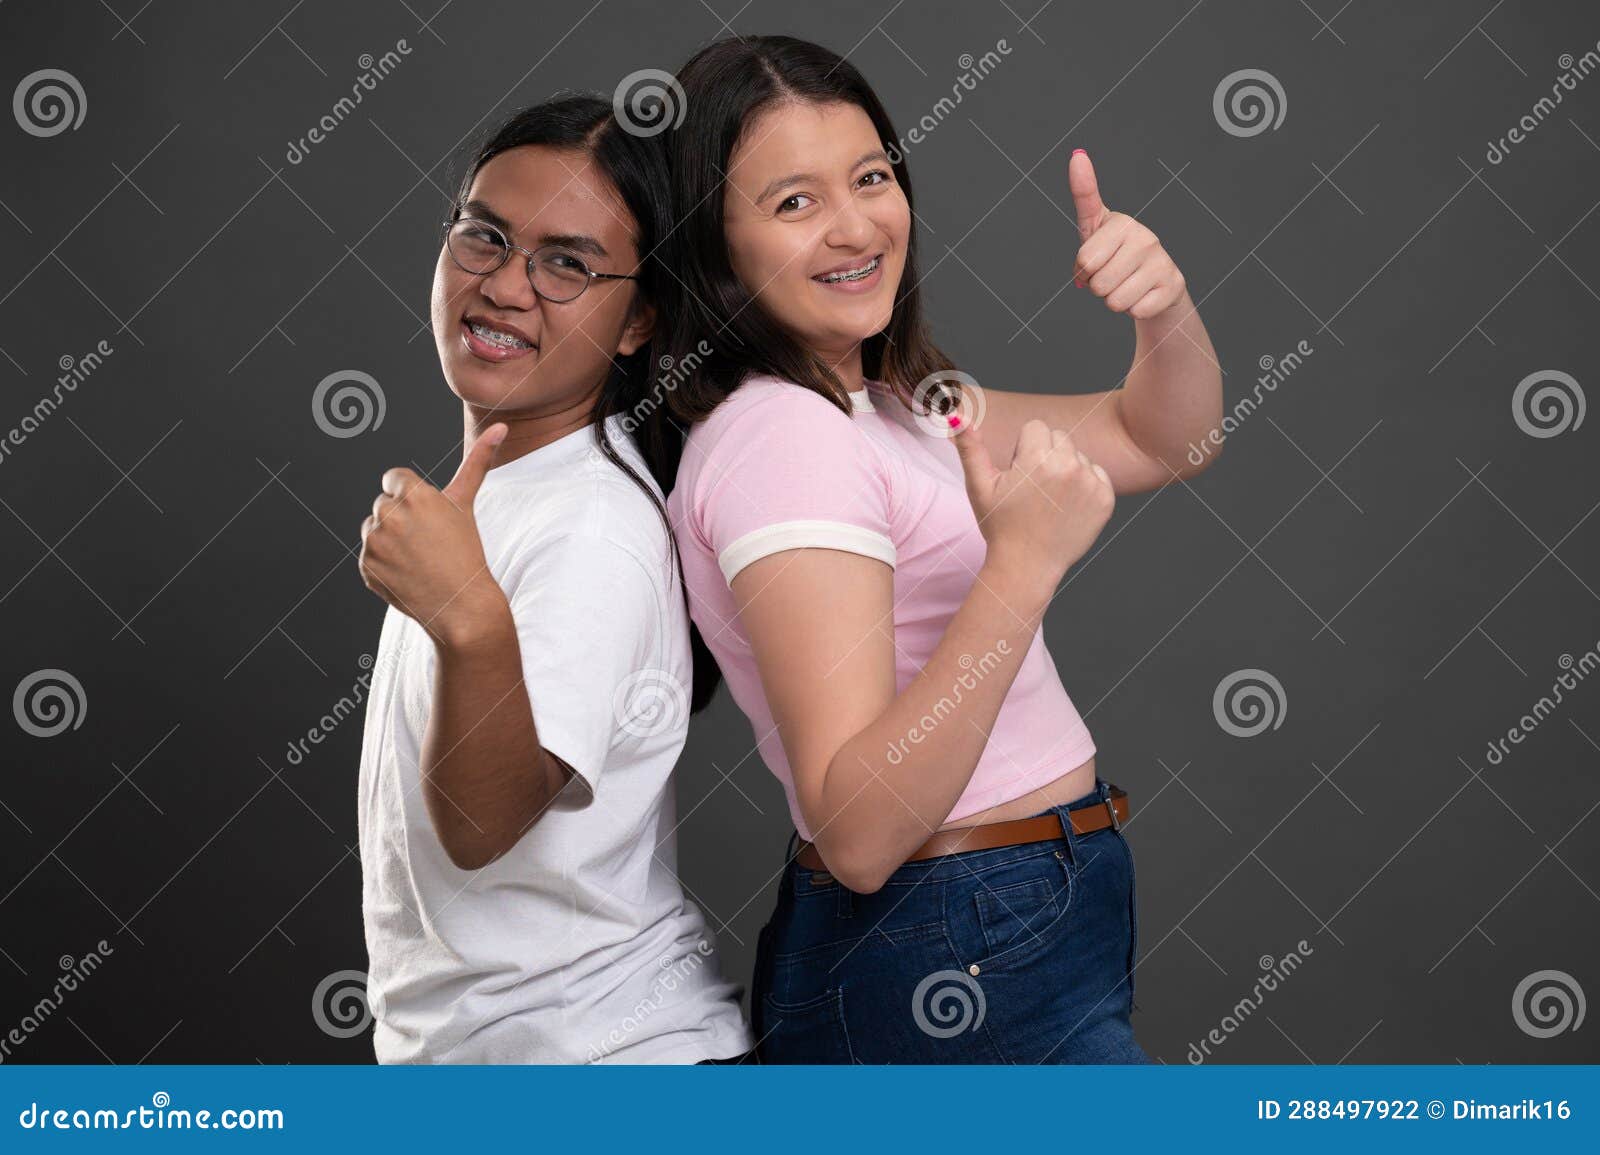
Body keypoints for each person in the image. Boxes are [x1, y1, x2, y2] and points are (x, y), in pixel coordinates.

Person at [662, 35, 1223, 1062]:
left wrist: (1163, 308)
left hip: (1013, 920)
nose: (855, 225)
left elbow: (1164, 438)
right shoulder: (781, 439)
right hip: (951, 937)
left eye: (870, 177)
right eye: (794, 202)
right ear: (712, 247)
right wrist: (1020, 568)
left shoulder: (890, 407)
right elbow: (862, 833)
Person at [354, 95, 751, 1064]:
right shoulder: (510, 492)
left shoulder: (594, 527)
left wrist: (467, 616)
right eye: (483, 237)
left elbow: (483, 825)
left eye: (566, 263)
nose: (503, 287)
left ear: (638, 320)